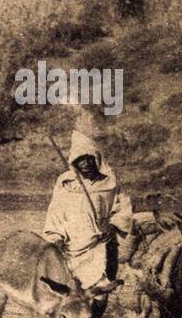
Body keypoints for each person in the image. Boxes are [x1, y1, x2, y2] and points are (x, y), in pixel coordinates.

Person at [42, 129, 133, 304]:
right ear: (74, 162)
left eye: (89, 158)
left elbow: (124, 209)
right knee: (70, 294)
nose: (85, 163)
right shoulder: (65, 184)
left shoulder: (110, 184)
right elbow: (55, 213)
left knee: (100, 293)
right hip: (71, 247)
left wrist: (113, 225)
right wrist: (56, 238)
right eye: (80, 159)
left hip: (102, 245)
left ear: (96, 159)